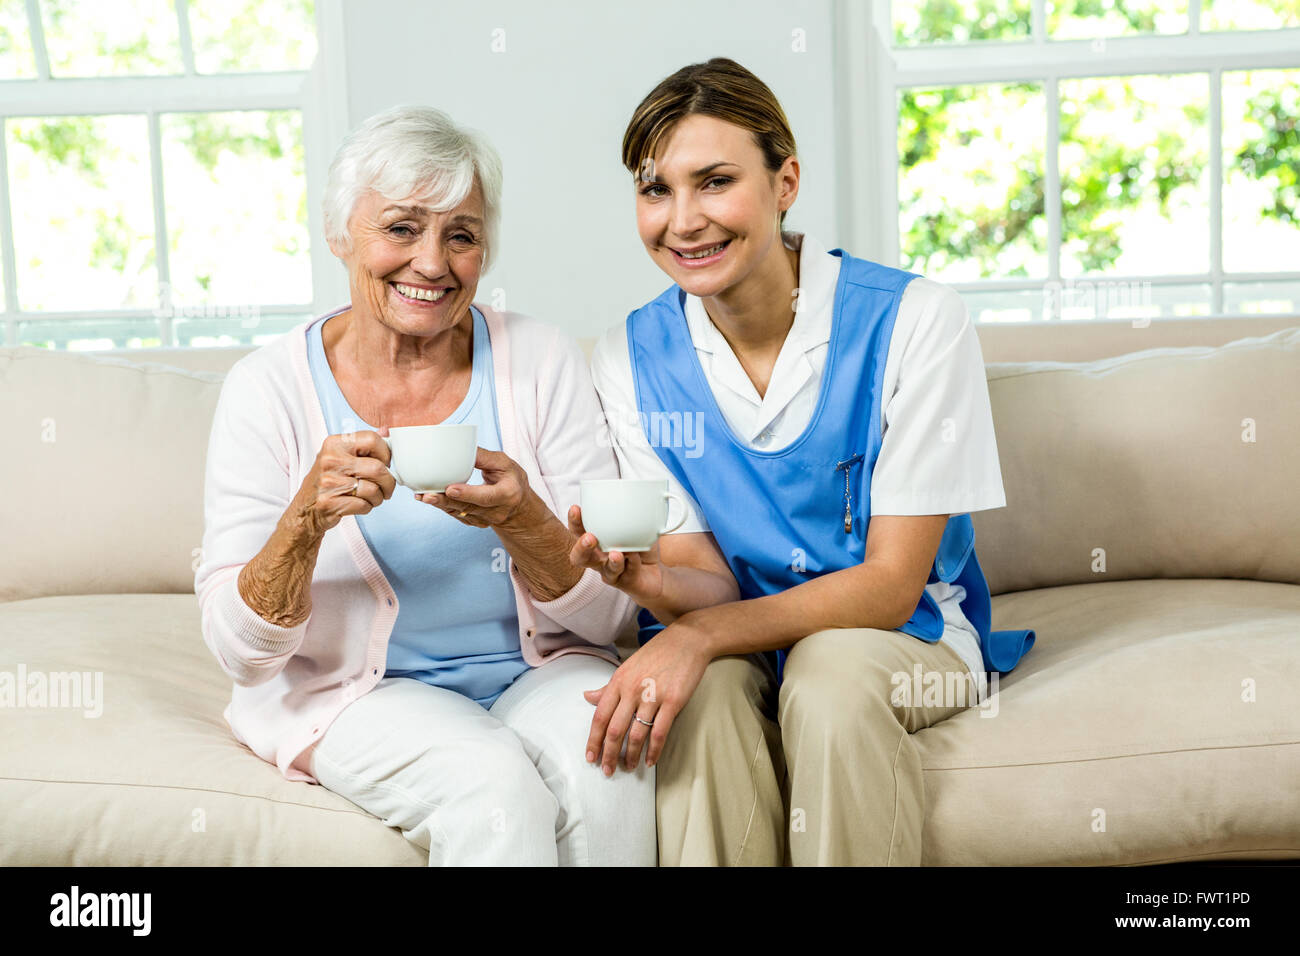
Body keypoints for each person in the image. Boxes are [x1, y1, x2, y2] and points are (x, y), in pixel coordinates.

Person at [570, 58, 1035, 866]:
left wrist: (700, 632)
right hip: (741, 641)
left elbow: (892, 586)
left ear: (786, 181)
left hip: (907, 632)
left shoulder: (916, 321)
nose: (683, 221)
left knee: (826, 675)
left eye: (714, 181)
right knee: (701, 699)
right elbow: (704, 578)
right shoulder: (629, 358)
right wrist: (646, 586)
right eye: (655, 190)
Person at [195, 105, 655, 866]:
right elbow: (241, 657)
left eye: (462, 235)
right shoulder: (266, 388)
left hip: (541, 673)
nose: (434, 263)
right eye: (402, 228)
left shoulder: (540, 359)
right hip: (360, 696)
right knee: (491, 785)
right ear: (342, 234)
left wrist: (527, 521)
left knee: (608, 770)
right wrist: (304, 520)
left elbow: (608, 616)